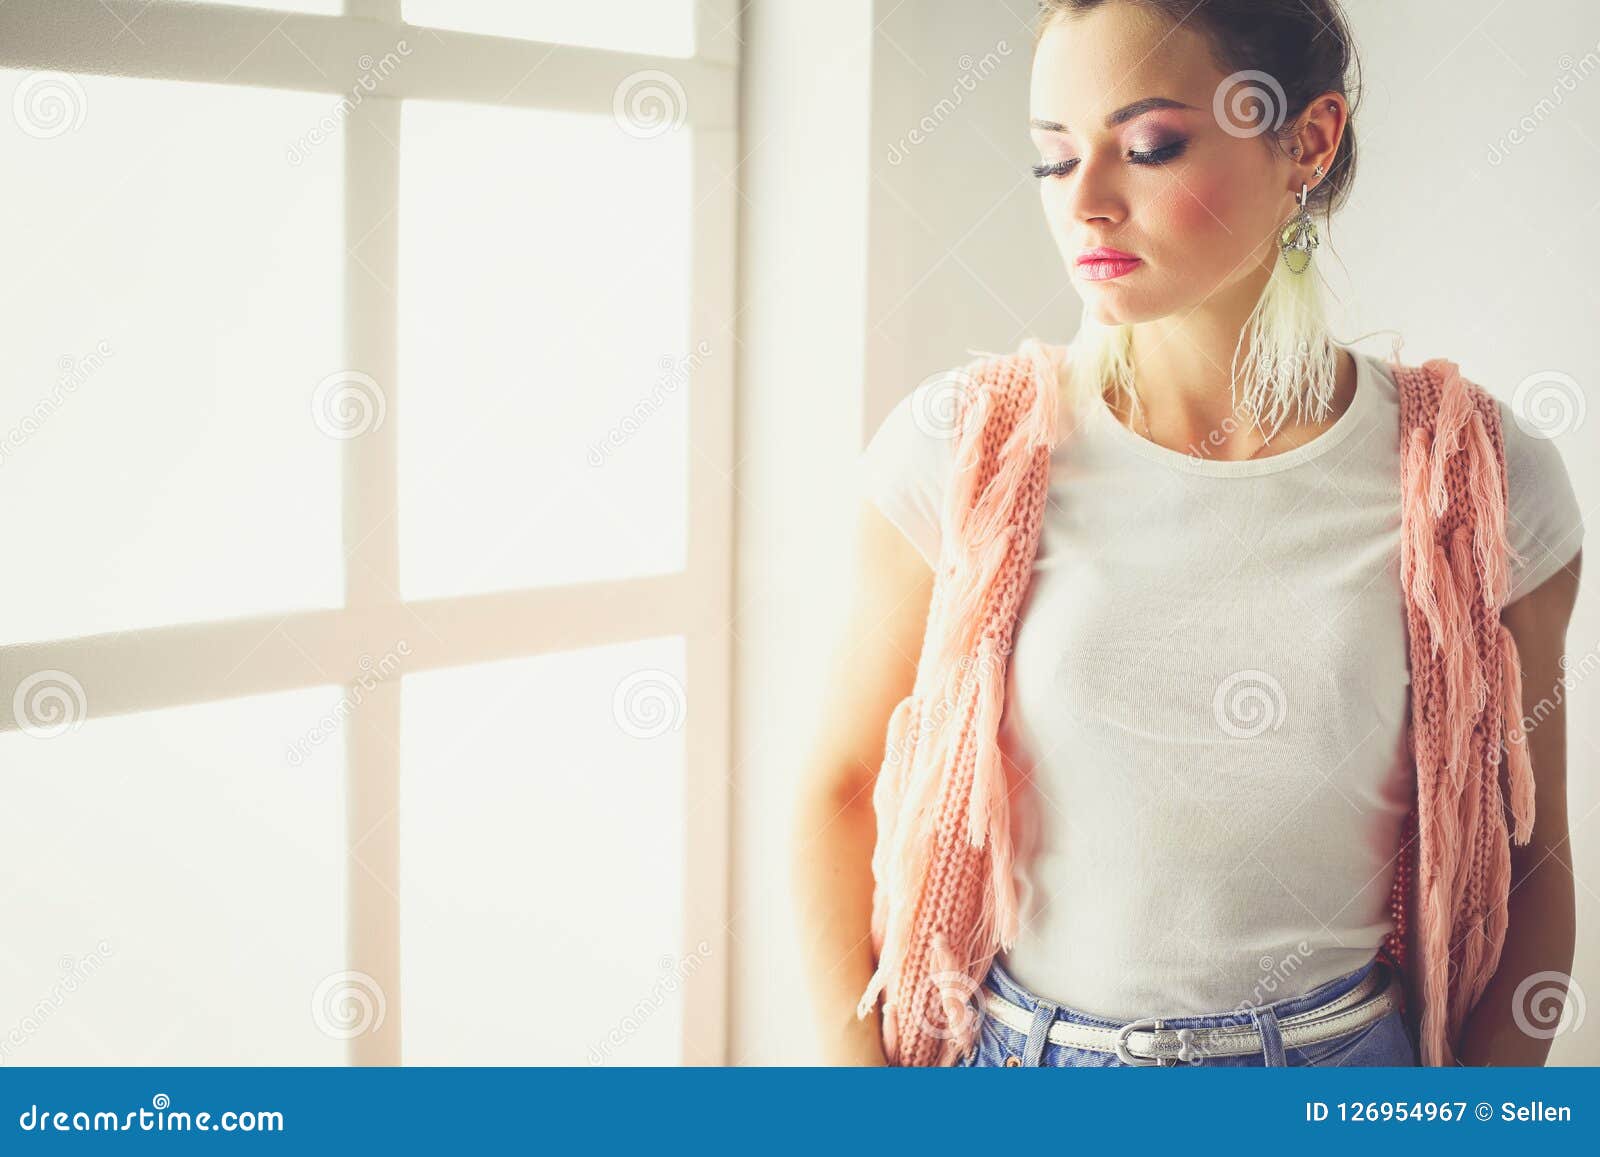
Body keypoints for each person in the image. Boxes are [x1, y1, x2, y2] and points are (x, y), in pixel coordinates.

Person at [792, 0, 1583, 1067]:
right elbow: (839, 792)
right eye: (1052, 158)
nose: (1087, 202)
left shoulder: (1477, 480)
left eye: (1149, 146)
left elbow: (1531, 864)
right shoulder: (959, 450)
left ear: (1307, 140)